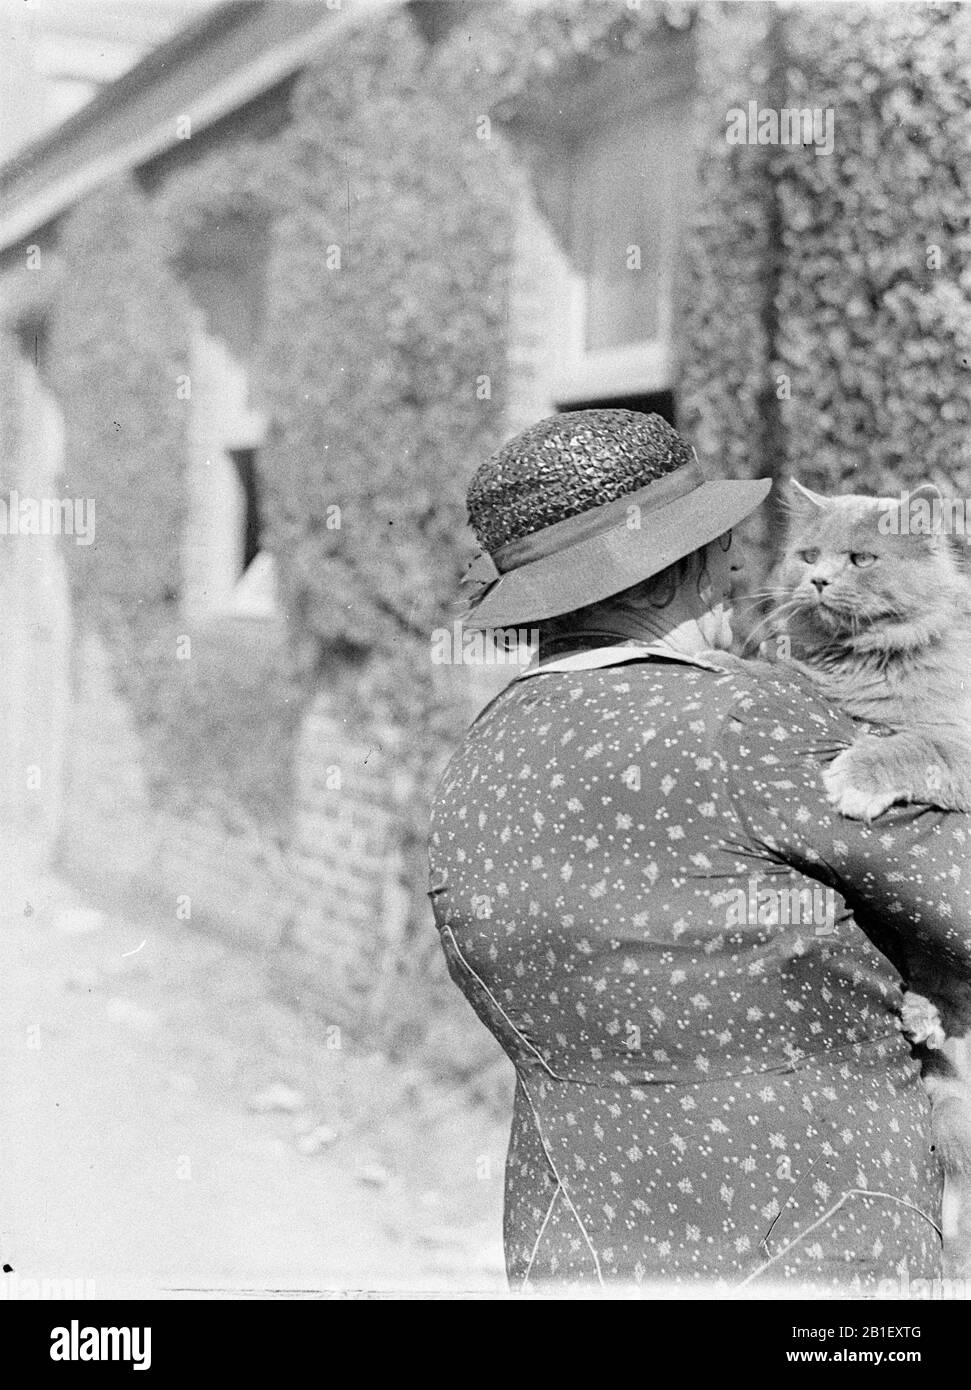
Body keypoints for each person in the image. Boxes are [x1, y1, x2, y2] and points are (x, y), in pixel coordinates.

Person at [427, 409, 971, 1293]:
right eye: (716, 546)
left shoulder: (482, 752)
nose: (737, 569)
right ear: (668, 574)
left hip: (572, 1246)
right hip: (810, 1252)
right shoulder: (752, 720)